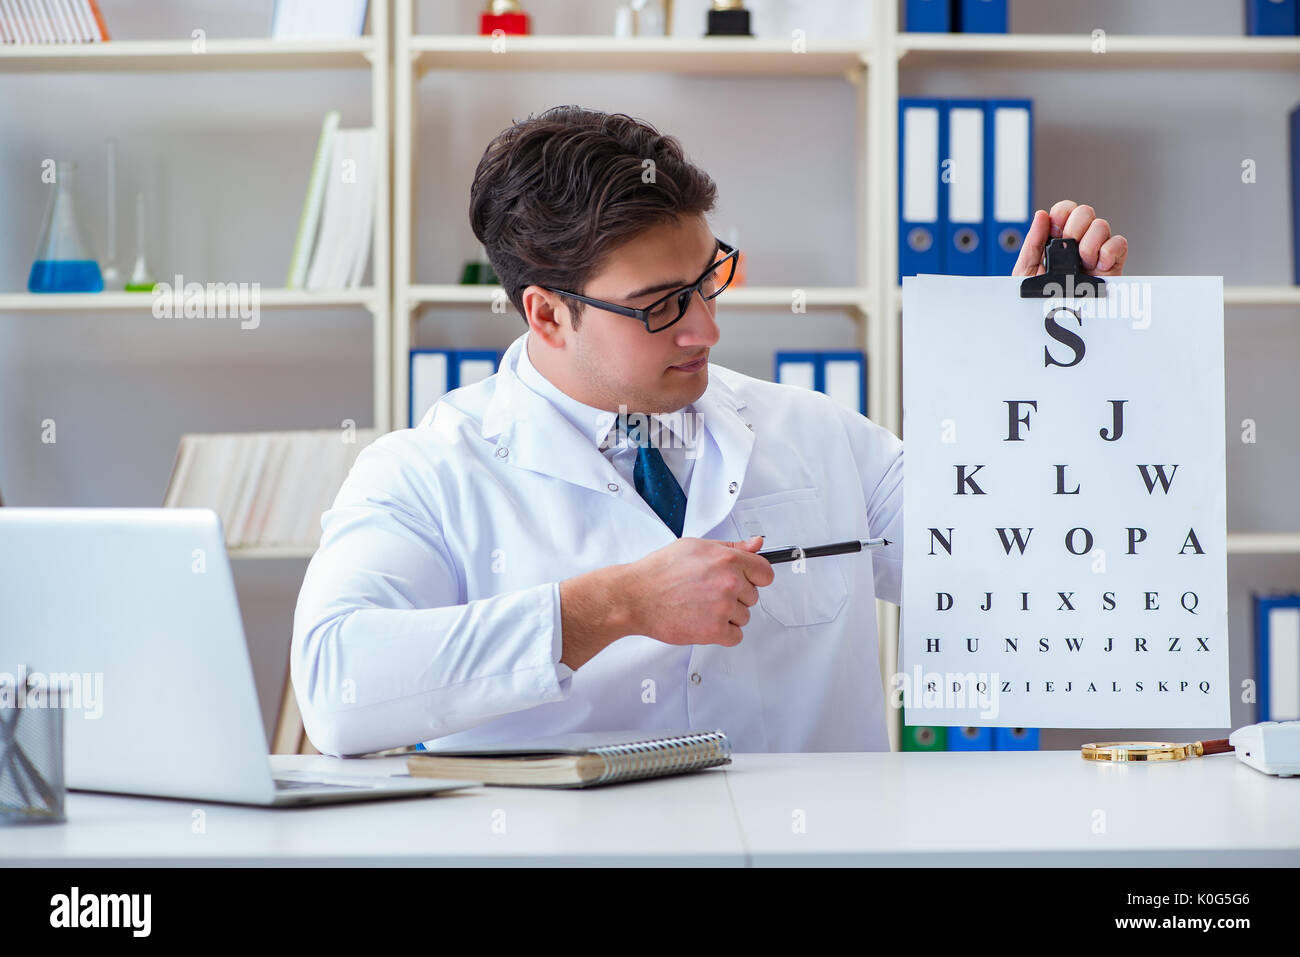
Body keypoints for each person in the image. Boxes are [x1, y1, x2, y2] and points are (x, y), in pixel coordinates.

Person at [291, 105, 1128, 757]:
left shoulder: (816, 433)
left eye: (708, 281)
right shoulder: (426, 472)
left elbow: (1006, 558)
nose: (705, 332)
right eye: (660, 306)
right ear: (547, 313)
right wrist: (612, 605)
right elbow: (337, 688)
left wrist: (1036, 361)